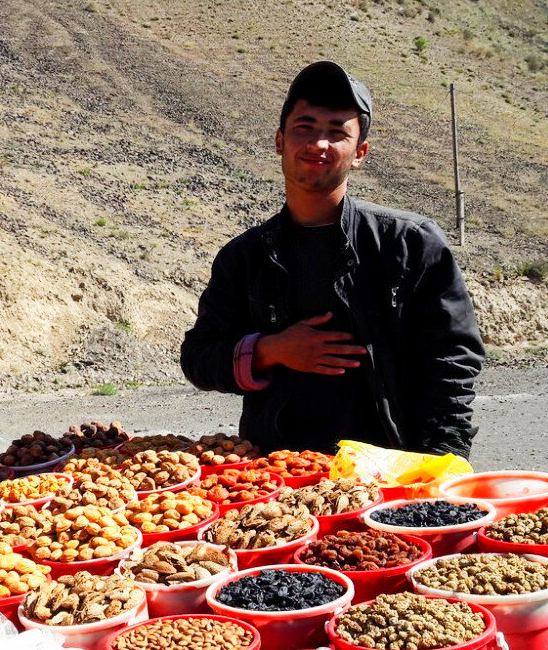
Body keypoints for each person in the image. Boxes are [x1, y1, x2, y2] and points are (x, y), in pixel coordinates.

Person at [180, 61, 485, 459]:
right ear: (279, 141)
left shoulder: (409, 243)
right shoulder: (245, 256)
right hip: (274, 477)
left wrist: (445, 460)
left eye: (337, 132)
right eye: (304, 127)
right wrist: (272, 350)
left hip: (388, 471)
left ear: (359, 153)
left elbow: (453, 360)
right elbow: (199, 357)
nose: (318, 143)